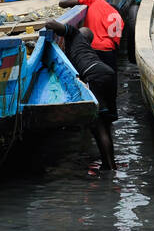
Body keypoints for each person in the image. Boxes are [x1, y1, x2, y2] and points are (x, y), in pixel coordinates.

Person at [44, 18, 117, 171]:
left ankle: (108, 167)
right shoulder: (87, 49)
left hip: (94, 75)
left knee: (98, 127)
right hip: (109, 74)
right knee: (106, 122)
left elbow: (50, 23)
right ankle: (111, 164)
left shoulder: (74, 34)